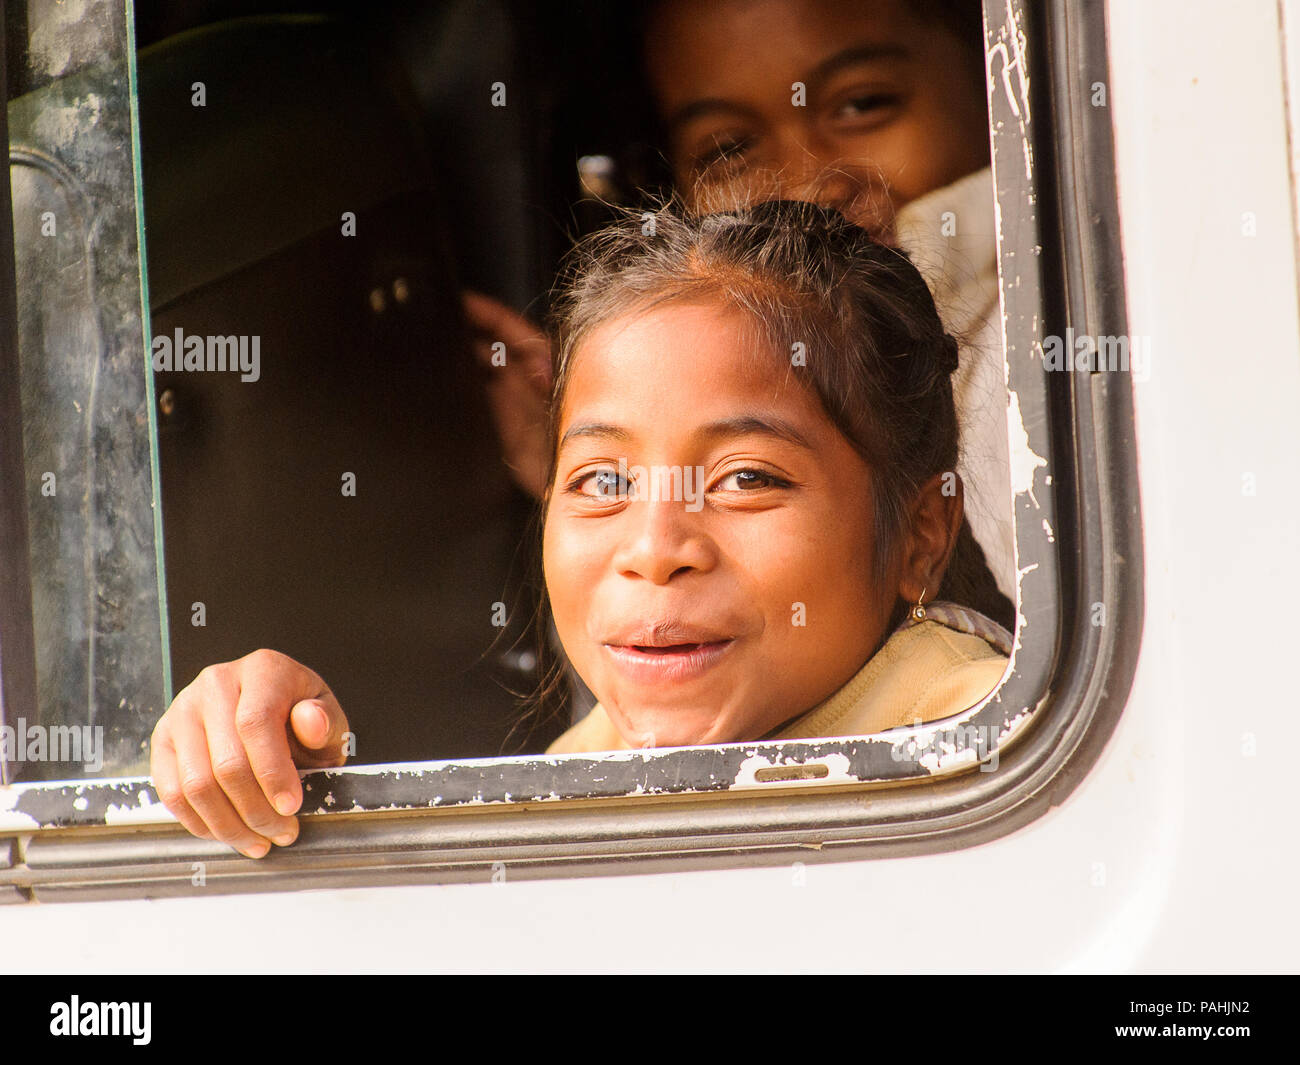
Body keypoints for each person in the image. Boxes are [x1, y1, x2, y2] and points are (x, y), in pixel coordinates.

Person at [150, 199, 1010, 854]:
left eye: (747, 478)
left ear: (921, 534)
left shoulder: (997, 754)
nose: (654, 550)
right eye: (603, 480)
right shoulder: (585, 762)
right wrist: (279, 763)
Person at [466, 0, 1015, 600]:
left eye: (862, 105)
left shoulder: (1039, 361)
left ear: (1002, 88)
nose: (811, 185)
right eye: (729, 149)